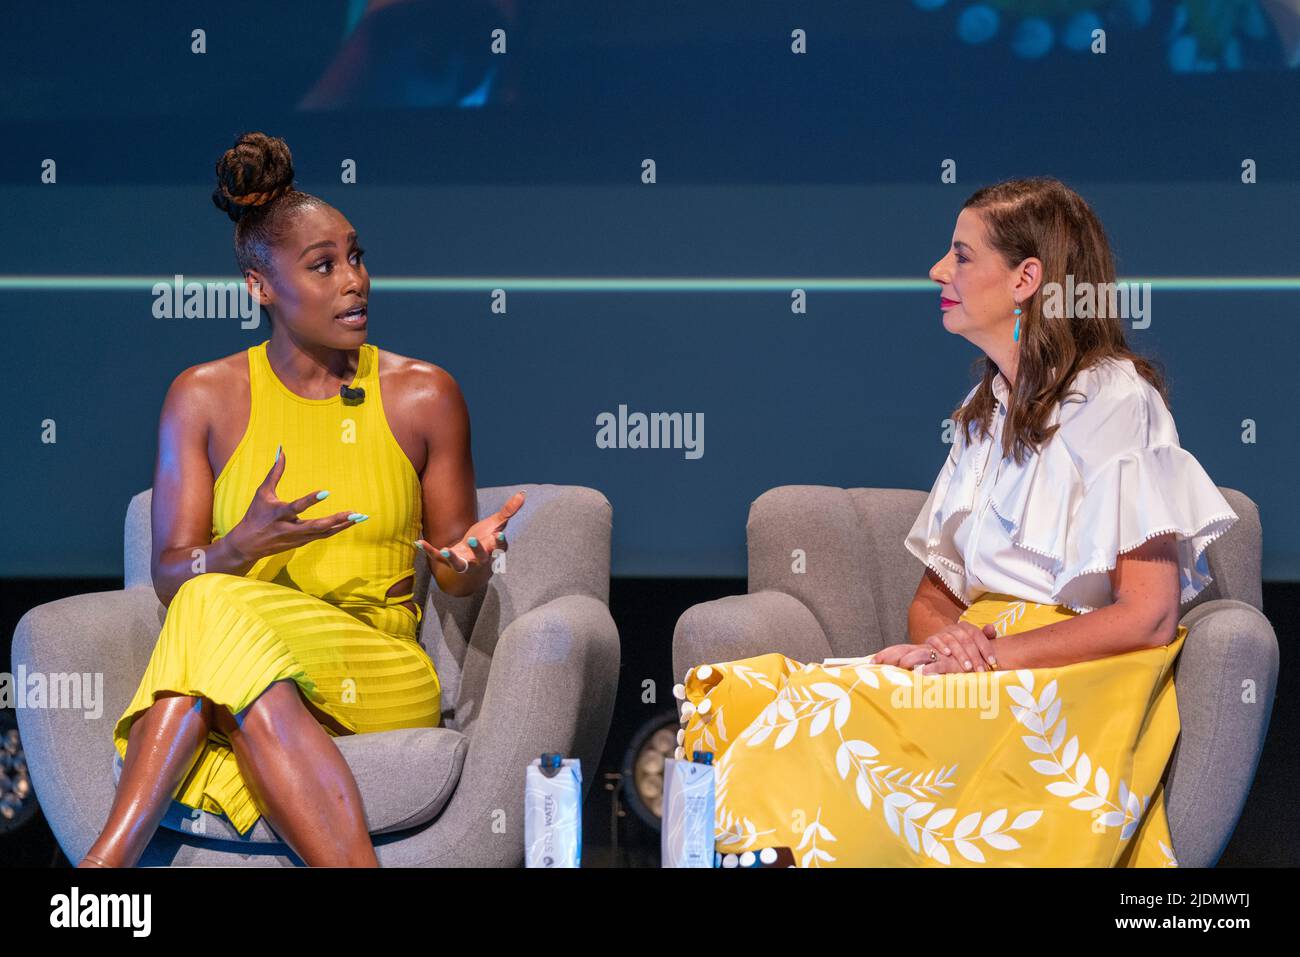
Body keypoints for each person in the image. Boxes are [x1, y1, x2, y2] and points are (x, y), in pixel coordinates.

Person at [678, 177, 1239, 867]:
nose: (938, 271)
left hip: (1072, 685)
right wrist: (950, 646)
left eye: (962, 255)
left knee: (823, 711)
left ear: (1027, 277)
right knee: (756, 693)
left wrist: (994, 657)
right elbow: (933, 600)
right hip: (983, 670)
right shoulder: (986, 407)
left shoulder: (1119, 401)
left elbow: (1147, 617)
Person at [79, 131, 524, 867]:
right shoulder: (203, 396)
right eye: (324, 265)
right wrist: (236, 548)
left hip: (377, 667)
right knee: (207, 606)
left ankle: (101, 871)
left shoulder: (422, 394)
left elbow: (452, 568)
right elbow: (169, 572)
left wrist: (470, 562)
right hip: (250, 674)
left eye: (357, 256)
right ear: (261, 287)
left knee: (207, 610)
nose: (355, 280)